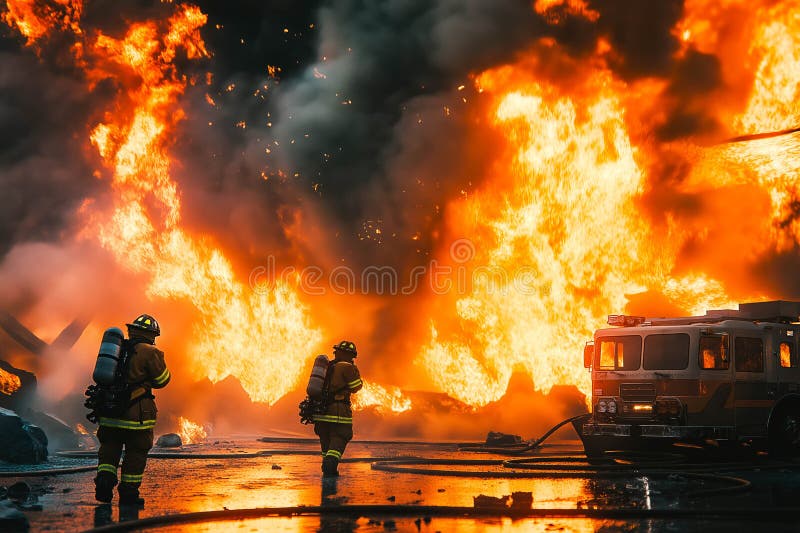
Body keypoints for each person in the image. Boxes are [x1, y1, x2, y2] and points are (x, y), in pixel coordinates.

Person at [94, 314, 170, 506]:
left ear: (131, 330)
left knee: (109, 450)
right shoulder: (150, 352)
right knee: (136, 453)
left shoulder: (118, 350)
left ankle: (104, 483)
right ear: (151, 335)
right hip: (136, 416)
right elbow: (162, 381)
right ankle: (128, 495)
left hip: (110, 412)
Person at [313, 340, 362, 477]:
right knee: (341, 436)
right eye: (351, 356)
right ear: (348, 355)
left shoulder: (327, 367)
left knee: (326, 443)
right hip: (338, 413)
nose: (352, 358)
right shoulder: (347, 367)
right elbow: (356, 386)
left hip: (321, 413)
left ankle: (328, 470)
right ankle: (330, 467)